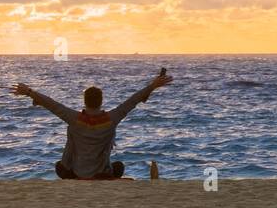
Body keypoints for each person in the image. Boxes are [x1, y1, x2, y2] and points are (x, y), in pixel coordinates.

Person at [11, 71, 173, 179]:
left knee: (59, 167)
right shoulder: (111, 119)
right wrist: (152, 86)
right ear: (101, 102)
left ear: (85, 101)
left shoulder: (74, 118)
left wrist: (29, 92)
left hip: (76, 174)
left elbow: (53, 105)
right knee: (119, 167)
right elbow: (132, 101)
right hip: (101, 175)